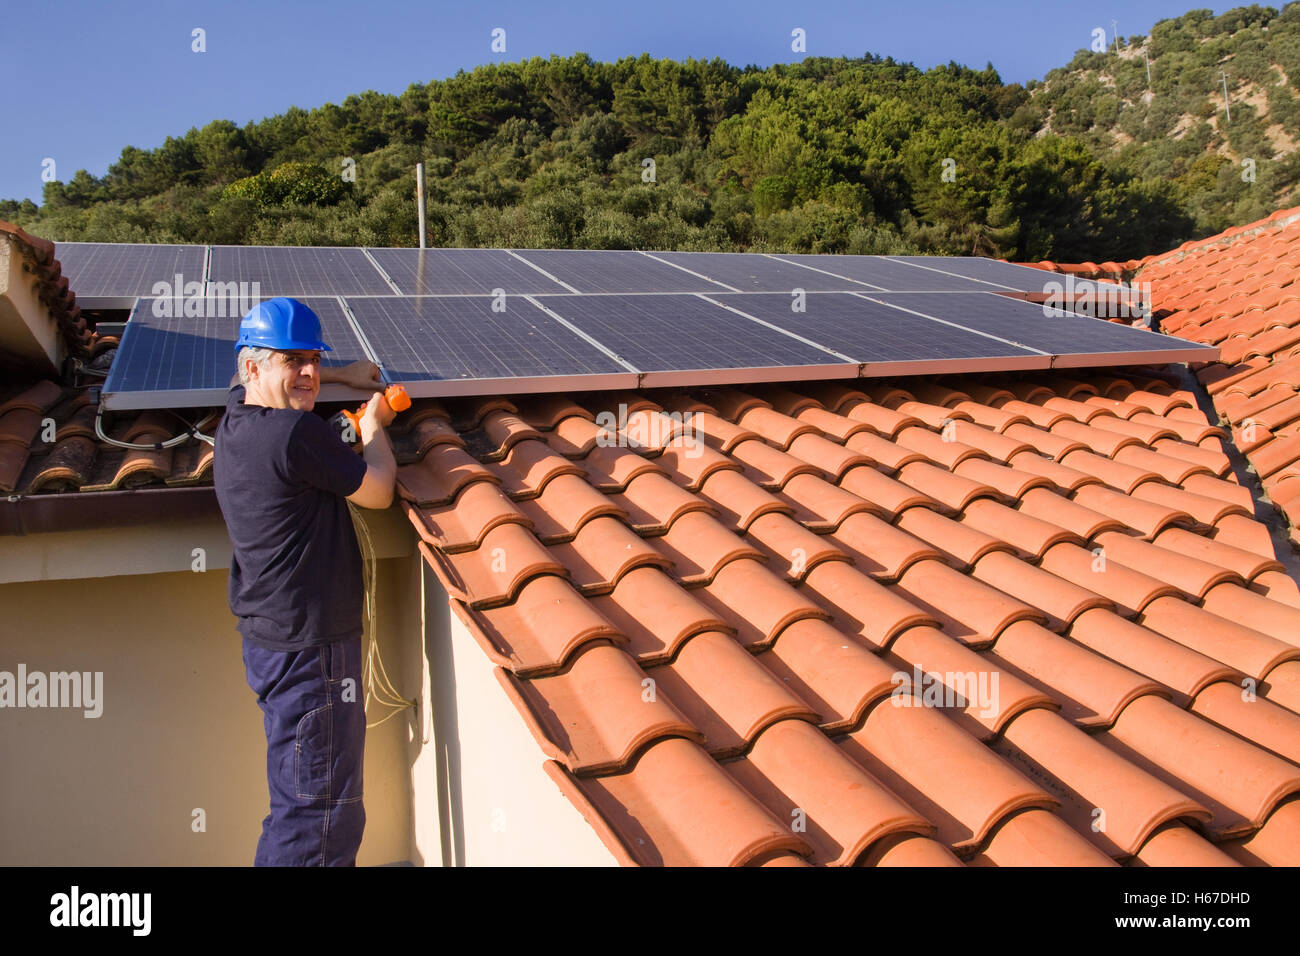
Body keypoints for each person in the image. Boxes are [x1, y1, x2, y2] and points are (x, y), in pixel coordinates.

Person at [213, 297, 397, 866]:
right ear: (253, 367)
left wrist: (339, 372)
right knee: (322, 814)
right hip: (315, 653)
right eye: (294, 362)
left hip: (273, 645)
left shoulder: (236, 416)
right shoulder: (294, 435)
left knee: (296, 800)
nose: (310, 374)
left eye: (315, 359)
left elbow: (267, 377)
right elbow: (380, 490)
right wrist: (373, 427)